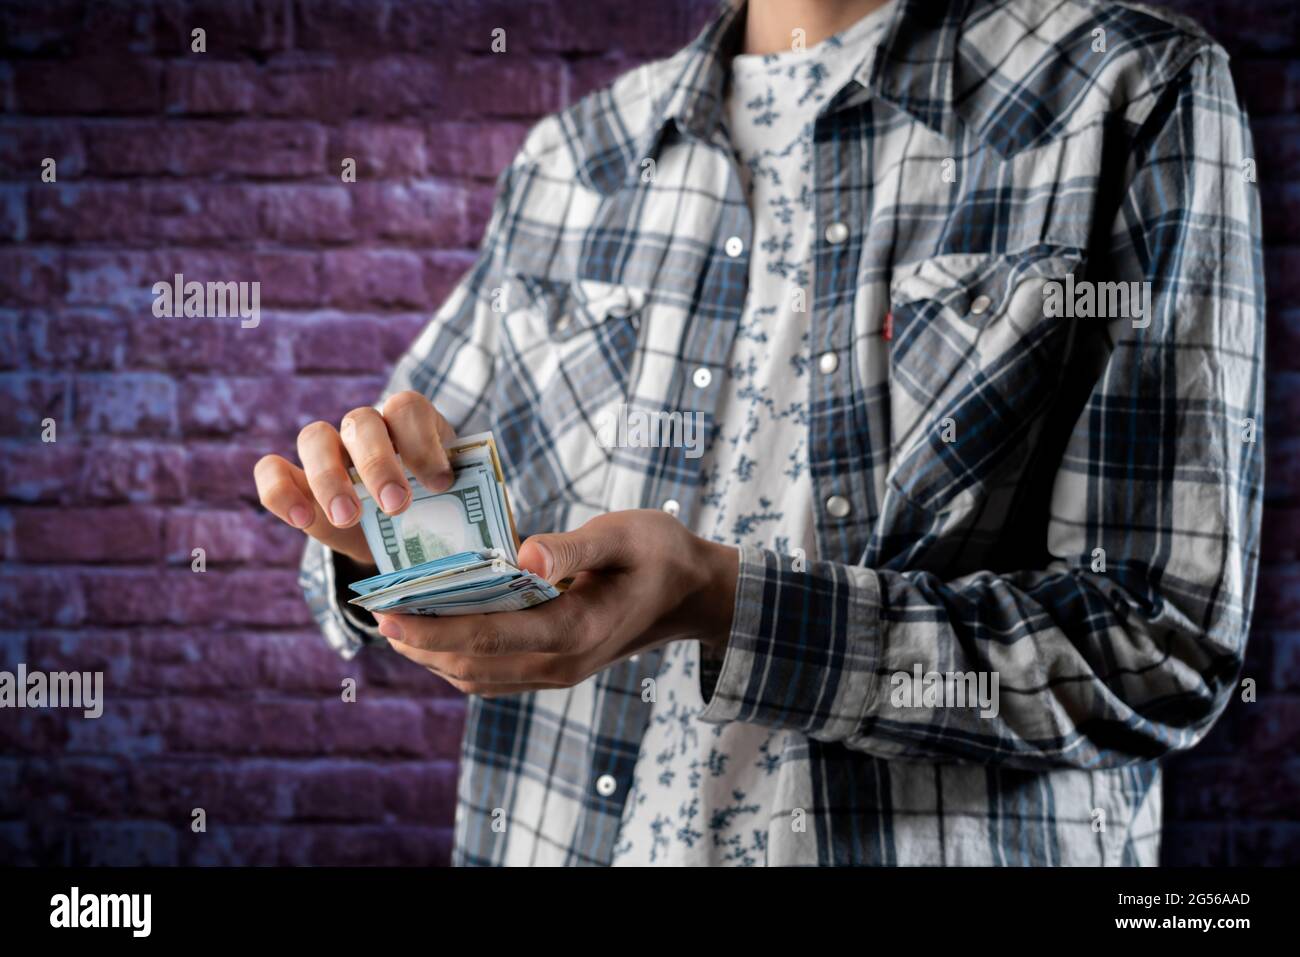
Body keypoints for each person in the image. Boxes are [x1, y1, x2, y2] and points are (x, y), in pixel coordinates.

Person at [254, 0, 1264, 865]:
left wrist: (728, 608)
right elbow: (346, 571)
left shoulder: (1124, 90)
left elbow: (1160, 647)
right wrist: (389, 536)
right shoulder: (574, 160)